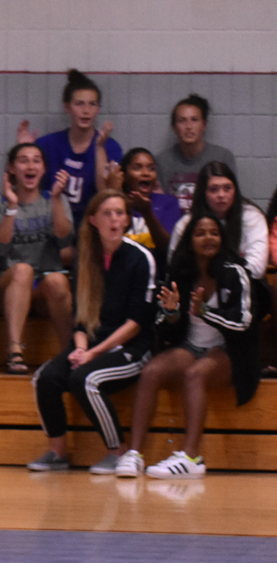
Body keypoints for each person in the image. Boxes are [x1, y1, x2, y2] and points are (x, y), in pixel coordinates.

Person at [113, 215, 256, 479]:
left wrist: (205, 312)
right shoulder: (180, 273)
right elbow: (166, 328)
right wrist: (172, 313)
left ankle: (191, 458)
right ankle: (134, 454)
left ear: (222, 239)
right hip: (190, 346)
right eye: (200, 233)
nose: (208, 238)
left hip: (229, 352)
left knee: (196, 375)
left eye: (214, 232)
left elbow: (243, 322)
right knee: (151, 371)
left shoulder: (235, 272)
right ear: (190, 241)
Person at [28, 190, 155, 474]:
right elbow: (81, 319)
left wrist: (93, 354)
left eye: (119, 213)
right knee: (44, 378)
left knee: (85, 379)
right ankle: (57, 451)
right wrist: (82, 348)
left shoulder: (141, 258)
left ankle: (117, 452)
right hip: (94, 343)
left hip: (132, 347)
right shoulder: (85, 257)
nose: (114, 219)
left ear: (127, 221)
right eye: (107, 213)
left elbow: (135, 324)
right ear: (94, 220)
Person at [0, 143, 75, 374]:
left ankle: (70, 353)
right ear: (12, 168)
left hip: (44, 290)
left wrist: (56, 200)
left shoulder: (54, 199)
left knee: (57, 280)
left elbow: (65, 240)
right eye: (23, 160)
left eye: (36, 160)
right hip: (6, 287)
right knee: (23, 270)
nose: (30, 165)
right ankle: (14, 350)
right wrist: (13, 207)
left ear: (44, 168)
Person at [22, 69, 122, 231]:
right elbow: (23, 187)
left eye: (92, 104)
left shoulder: (111, 147)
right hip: (52, 225)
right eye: (79, 104)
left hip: (93, 227)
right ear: (67, 107)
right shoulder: (47, 144)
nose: (86, 110)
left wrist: (99, 148)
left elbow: (105, 194)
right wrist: (23, 151)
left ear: (98, 109)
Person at [167, 162, 268, 283]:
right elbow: (175, 265)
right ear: (203, 193)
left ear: (235, 190)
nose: (221, 195)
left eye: (227, 188)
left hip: (243, 288)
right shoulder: (186, 223)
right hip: (197, 288)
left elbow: (256, 269)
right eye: (213, 189)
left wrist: (222, 280)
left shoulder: (252, 218)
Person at [155, 94, 237, 213]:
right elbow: (160, 204)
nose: (189, 127)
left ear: (204, 125)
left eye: (194, 120)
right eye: (182, 120)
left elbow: (232, 200)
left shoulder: (222, 157)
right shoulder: (162, 161)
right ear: (174, 127)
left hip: (210, 225)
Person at [102, 148, 182, 261]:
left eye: (151, 168)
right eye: (137, 168)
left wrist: (147, 212)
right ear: (123, 174)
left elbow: (167, 248)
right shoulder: (109, 203)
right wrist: (116, 195)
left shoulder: (168, 202)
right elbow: (106, 242)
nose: (146, 173)